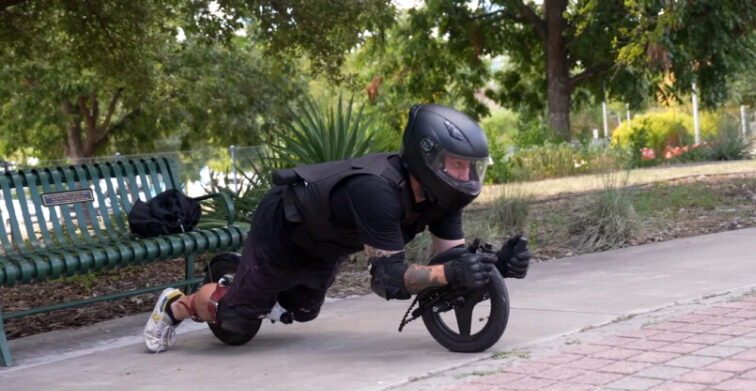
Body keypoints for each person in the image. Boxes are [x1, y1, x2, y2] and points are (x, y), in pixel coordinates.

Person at [144, 104, 532, 353]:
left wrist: (495, 263)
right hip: (284, 228)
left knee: (303, 310)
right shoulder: (377, 191)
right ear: (426, 155)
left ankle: (247, 284)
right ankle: (176, 305)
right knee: (235, 325)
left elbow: (451, 259)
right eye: (456, 164)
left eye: (470, 166)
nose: (465, 176)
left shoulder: (442, 197)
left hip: (324, 243)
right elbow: (389, 280)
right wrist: (451, 271)